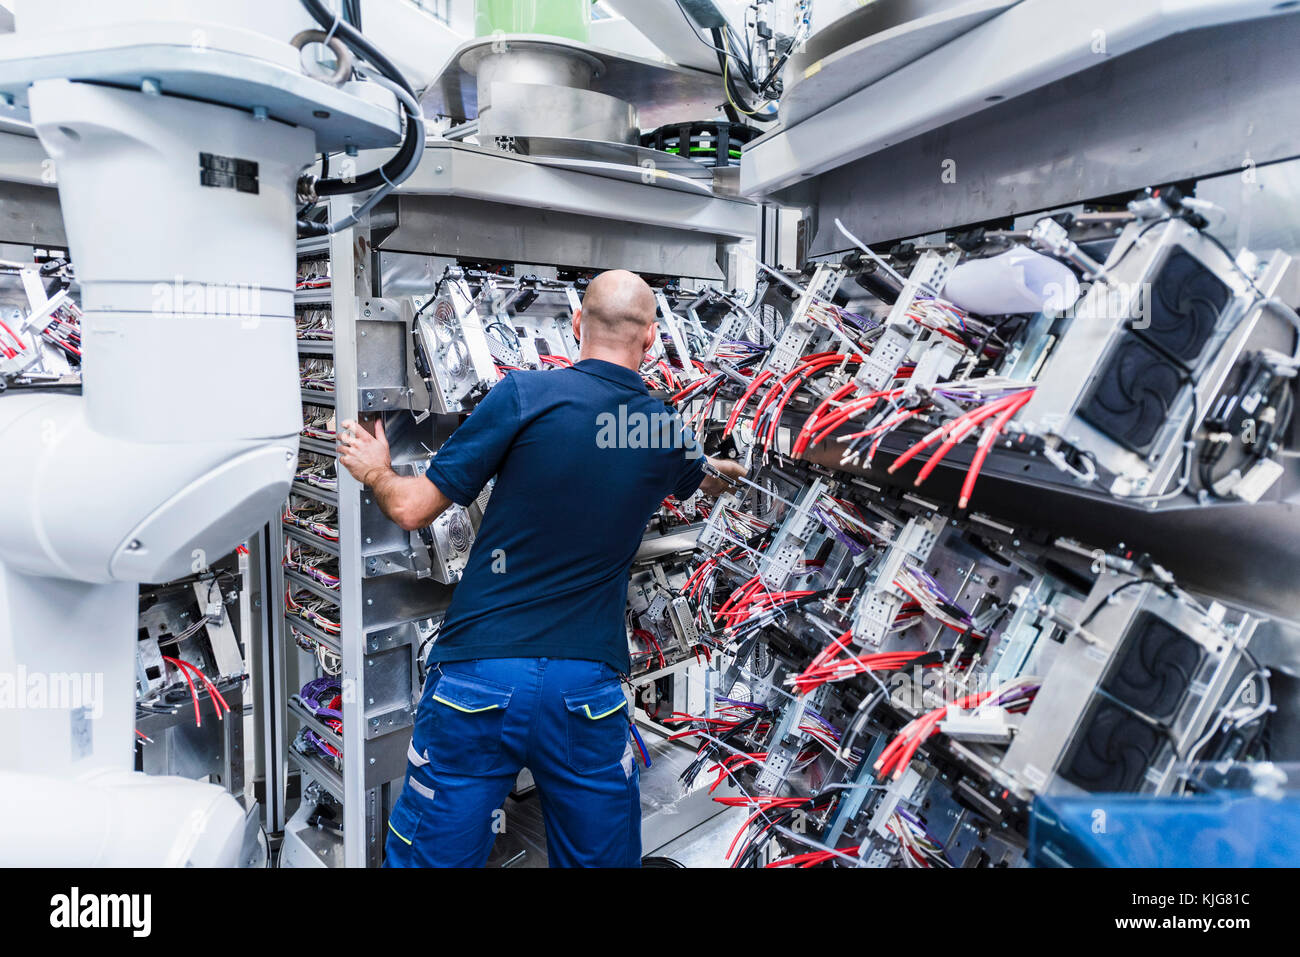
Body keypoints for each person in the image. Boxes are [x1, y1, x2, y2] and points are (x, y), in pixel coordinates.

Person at [337, 269, 745, 867]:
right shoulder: (661, 428)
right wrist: (725, 471)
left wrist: (375, 468)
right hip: (585, 690)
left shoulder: (523, 395)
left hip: (480, 673)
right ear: (653, 339)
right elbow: (701, 477)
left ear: (576, 325)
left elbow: (410, 507)